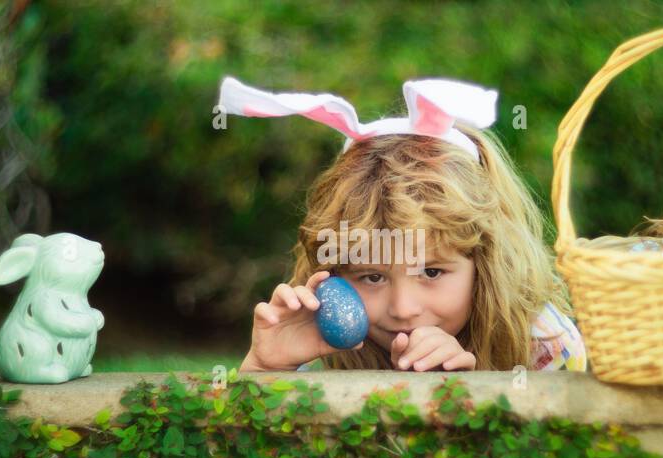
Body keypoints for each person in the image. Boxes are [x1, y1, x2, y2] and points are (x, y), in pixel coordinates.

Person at [218, 76, 586, 372]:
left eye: (430, 271)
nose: (403, 308)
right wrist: (264, 370)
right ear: (333, 276)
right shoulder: (317, 347)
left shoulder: (542, 342)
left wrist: (469, 393)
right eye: (372, 277)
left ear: (486, 263)